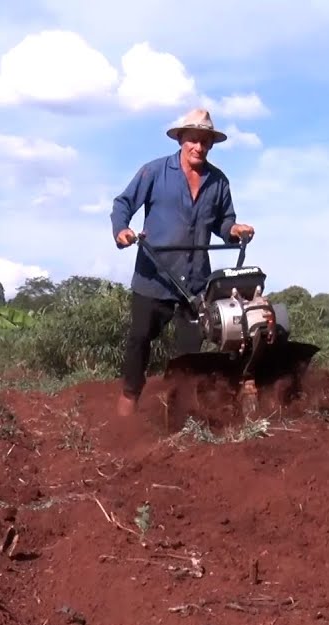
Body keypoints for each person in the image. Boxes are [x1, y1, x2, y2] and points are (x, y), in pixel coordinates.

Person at [109, 108, 255, 417]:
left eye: (205, 142)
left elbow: (224, 222)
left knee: (190, 349)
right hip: (155, 274)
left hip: (195, 281)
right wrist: (122, 230)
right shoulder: (154, 172)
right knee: (139, 339)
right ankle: (129, 398)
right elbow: (123, 203)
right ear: (181, 140)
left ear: (211, 145)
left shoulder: (218, 182)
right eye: (193, 140)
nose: (199, 147)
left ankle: (178, 408)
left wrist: (234, 230)